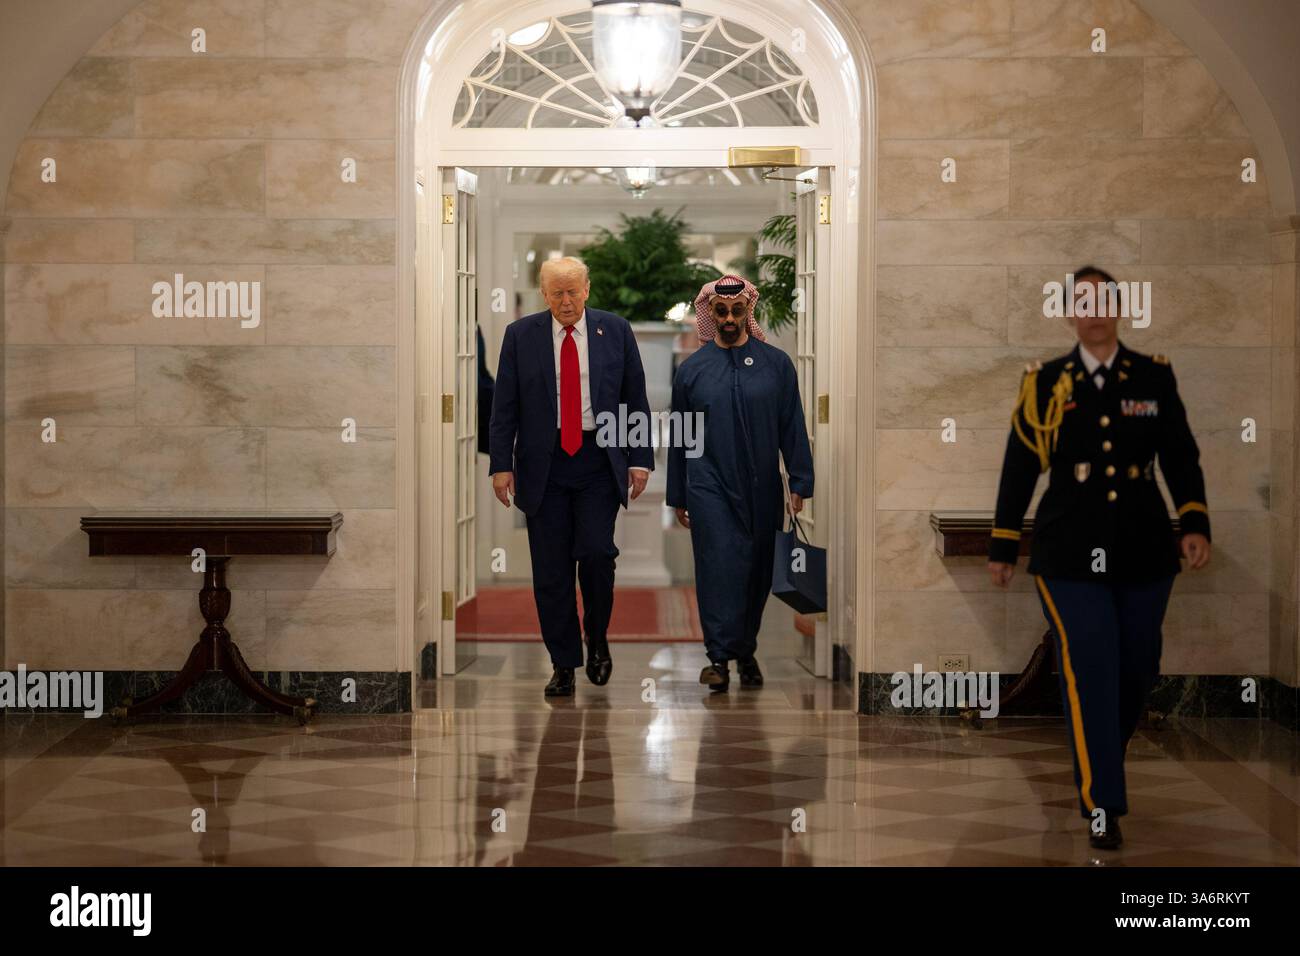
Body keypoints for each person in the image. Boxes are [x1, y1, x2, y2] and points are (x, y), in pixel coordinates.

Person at [987, 265, 1211, 850]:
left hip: (1143, 547)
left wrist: (1194, 521)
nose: (1092, 312)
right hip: (1066, 551)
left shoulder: (1152, 377)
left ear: (1118, 308)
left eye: (1102, 301)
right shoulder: (1046, 383)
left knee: (1137, 666)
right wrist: (1004, 543)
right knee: (1090, 663)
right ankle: (1101, 803)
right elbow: (1020, 464)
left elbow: (1181, 453)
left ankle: (1102, 762)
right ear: (1068, 313)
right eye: (1080, 303)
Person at [489, 257, 654, 697]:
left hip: (598, 462)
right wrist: (500, 464)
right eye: (557, 293)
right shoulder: (520, 336)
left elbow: (633, 397)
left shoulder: (614, 330)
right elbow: (504, 405)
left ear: (587, 290)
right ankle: (563, 662)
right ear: (544, 294)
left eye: (573, 291)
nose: (566, 301)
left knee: (598, 554)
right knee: (551, 570)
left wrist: (640, 457)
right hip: (544, 466)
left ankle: (596, 636)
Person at [667, 274, 814, 692]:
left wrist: (800, 481)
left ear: (748, 311)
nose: (729, 318)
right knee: (718, 569)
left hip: (763, 487)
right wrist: (679, 494)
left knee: (756, 571)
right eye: (721, 311)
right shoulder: (692, 371)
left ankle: (745, 648)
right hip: (708, 486)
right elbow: (681, 438)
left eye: (737, 311)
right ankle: (719, 659)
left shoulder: (776, 365)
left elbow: (792, 426)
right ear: (709, 313)